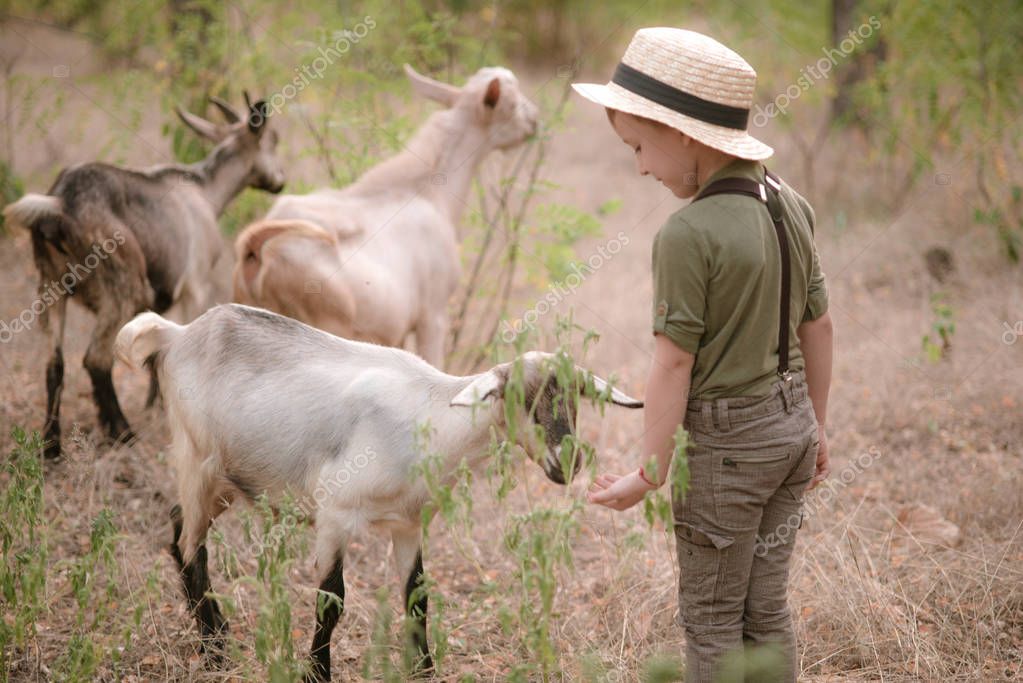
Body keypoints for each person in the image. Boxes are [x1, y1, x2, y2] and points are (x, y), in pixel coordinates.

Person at [572, 28, 834, 682]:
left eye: (639, 147)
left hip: (729, 452)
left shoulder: (686, 233)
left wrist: (649, 471)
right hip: (792, 433)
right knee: (765, 609)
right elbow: (819, 325)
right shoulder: (790, 204)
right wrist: (817, 425)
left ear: (682, 133)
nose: (639, 167)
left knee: (712, 617)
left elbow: (672, 364)